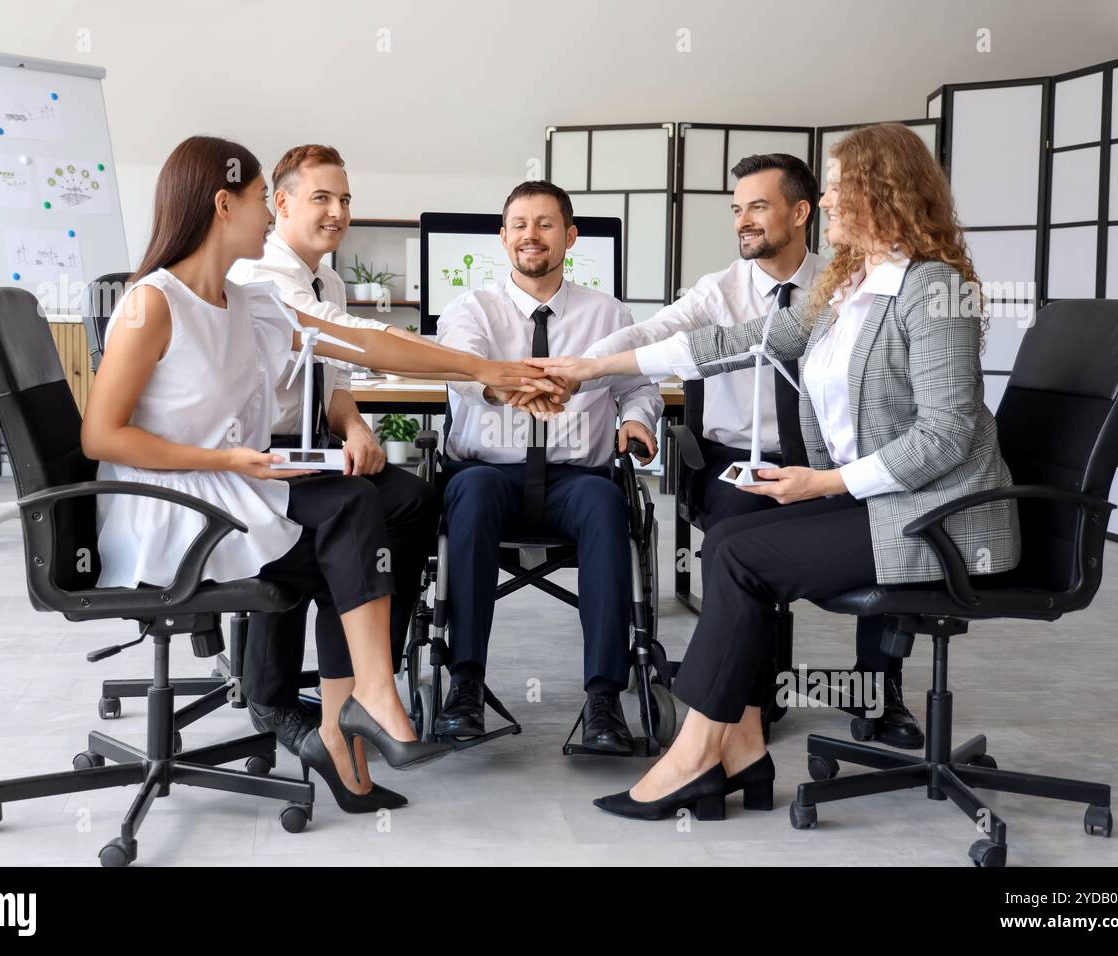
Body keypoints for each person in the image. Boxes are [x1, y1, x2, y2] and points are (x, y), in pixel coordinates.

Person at [530, 123, 1022, 819]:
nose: (823, 200)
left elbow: (946, 436)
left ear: (882, 189)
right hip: (884, 499)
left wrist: (821, 483)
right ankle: (744, 748)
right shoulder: (849, 286)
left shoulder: (934, 289)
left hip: (943, 515)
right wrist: (593, 366)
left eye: (837, 185)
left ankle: (700, 754)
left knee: (741, 559)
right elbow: (733, 341)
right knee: (731, 541)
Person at [81, 136, 557, 812]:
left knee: (361, 512)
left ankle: (357, 715)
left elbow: (363, 342)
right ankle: (341, 715)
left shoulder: (247, 301)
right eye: (256, 204)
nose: (267, 219)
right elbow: (101, 435)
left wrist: (485, 370)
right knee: (352, 522)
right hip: (170, 503)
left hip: (235, 488)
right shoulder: (153, 302)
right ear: (223, 206)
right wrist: (223, 459)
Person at [583, 153, 922, 748]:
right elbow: (651, 334)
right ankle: (747, 692)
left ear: (800, 211)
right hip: (741, 459)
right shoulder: (717, 292)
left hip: (828, 464)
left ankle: (880, 686)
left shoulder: (847, 283)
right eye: (737, 210)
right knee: (736, 531)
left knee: (881, 511)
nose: (743, 221)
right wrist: (582, 366)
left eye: (758, 207)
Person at [227, 145, 440, 807]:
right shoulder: (260, 274)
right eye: (322, 197)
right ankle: (288, 701)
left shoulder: (333, 281)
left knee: (410, 500)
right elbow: (341, 339)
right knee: (348, 511)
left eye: (345, 198)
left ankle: (349, 690)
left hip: (312, 448)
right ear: (282, 203)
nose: (338, 211)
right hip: (253, 456)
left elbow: (334, 383)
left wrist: (354, 427)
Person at [432, 180, 663, 754]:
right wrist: (507, 389)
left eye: (545, 224)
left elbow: (638, 385)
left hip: (573, 479)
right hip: (489, 472)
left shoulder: (607, 314)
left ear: (571, 236)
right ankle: (464, 685)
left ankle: (605, 699)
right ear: (503, 237)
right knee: (475, 492)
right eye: (519, 225)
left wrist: (636, 420)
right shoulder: (472, 308)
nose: (530, 236)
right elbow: (463, 370)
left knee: (608, 504)